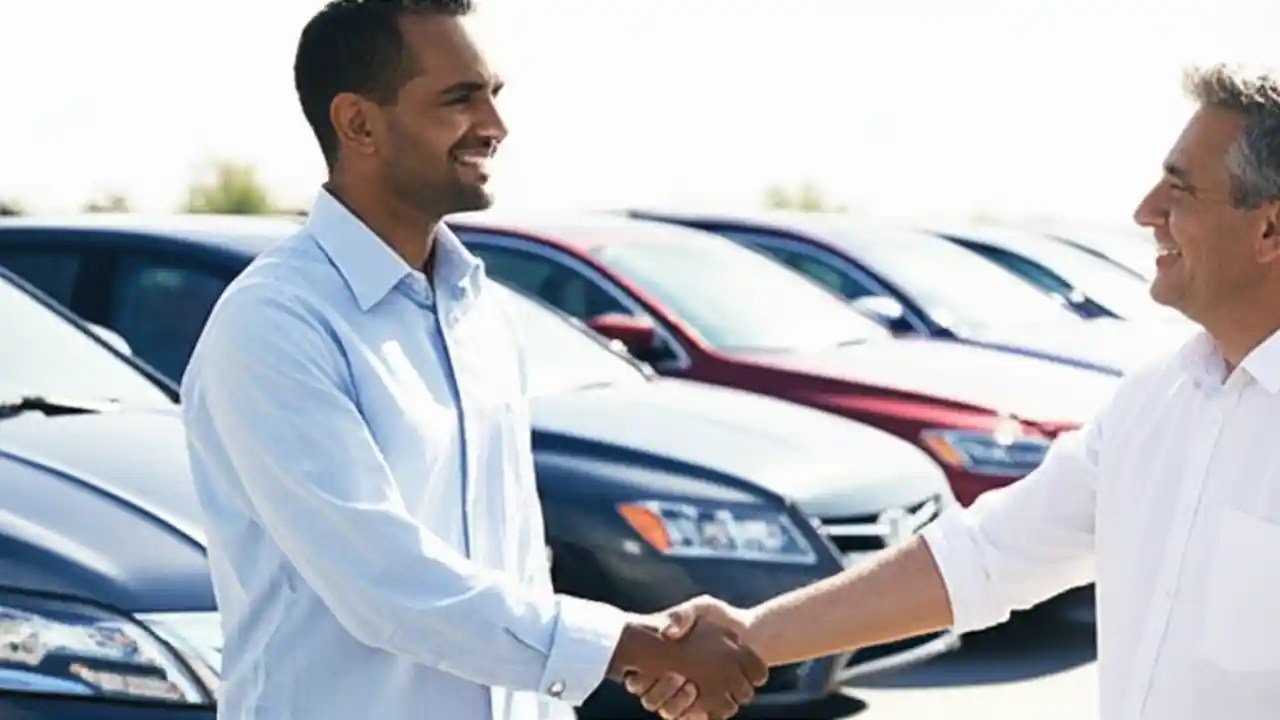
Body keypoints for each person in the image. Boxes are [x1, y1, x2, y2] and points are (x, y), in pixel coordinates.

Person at [632, 63, 1280, 720]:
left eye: (1180, 188)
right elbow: (986, 555)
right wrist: (752, 636)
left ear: (1269, 230)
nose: (1146, 212)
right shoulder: (1156, 402)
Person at [179, 2, 765, 719]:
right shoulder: (274, 323)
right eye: (460, 99)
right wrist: (633, 646)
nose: (494, 125)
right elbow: (384, 582)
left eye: (492, 94)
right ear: (358, 123)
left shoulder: (475, 308)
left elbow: (516, 565)